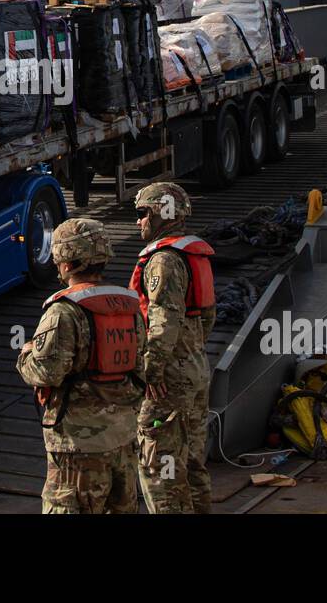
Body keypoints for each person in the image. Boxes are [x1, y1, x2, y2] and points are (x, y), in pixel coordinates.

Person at [17, 217, 146, 513]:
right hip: (123, 439)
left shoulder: (64, 311)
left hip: (78, 447)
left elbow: (47, 371)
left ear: (64, 261)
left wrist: (25, 354)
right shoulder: (127, 306)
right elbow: (140, 366)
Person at [129, 181, 217, 513]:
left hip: (168, 383)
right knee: (193, 461)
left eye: (141, 213)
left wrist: (151, 371)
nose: (138, 221)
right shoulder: (193, 254)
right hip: (196, 370)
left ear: (162, 214)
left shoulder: (163, 262)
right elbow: (208, 316)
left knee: (160, 465)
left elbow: (163, 320)